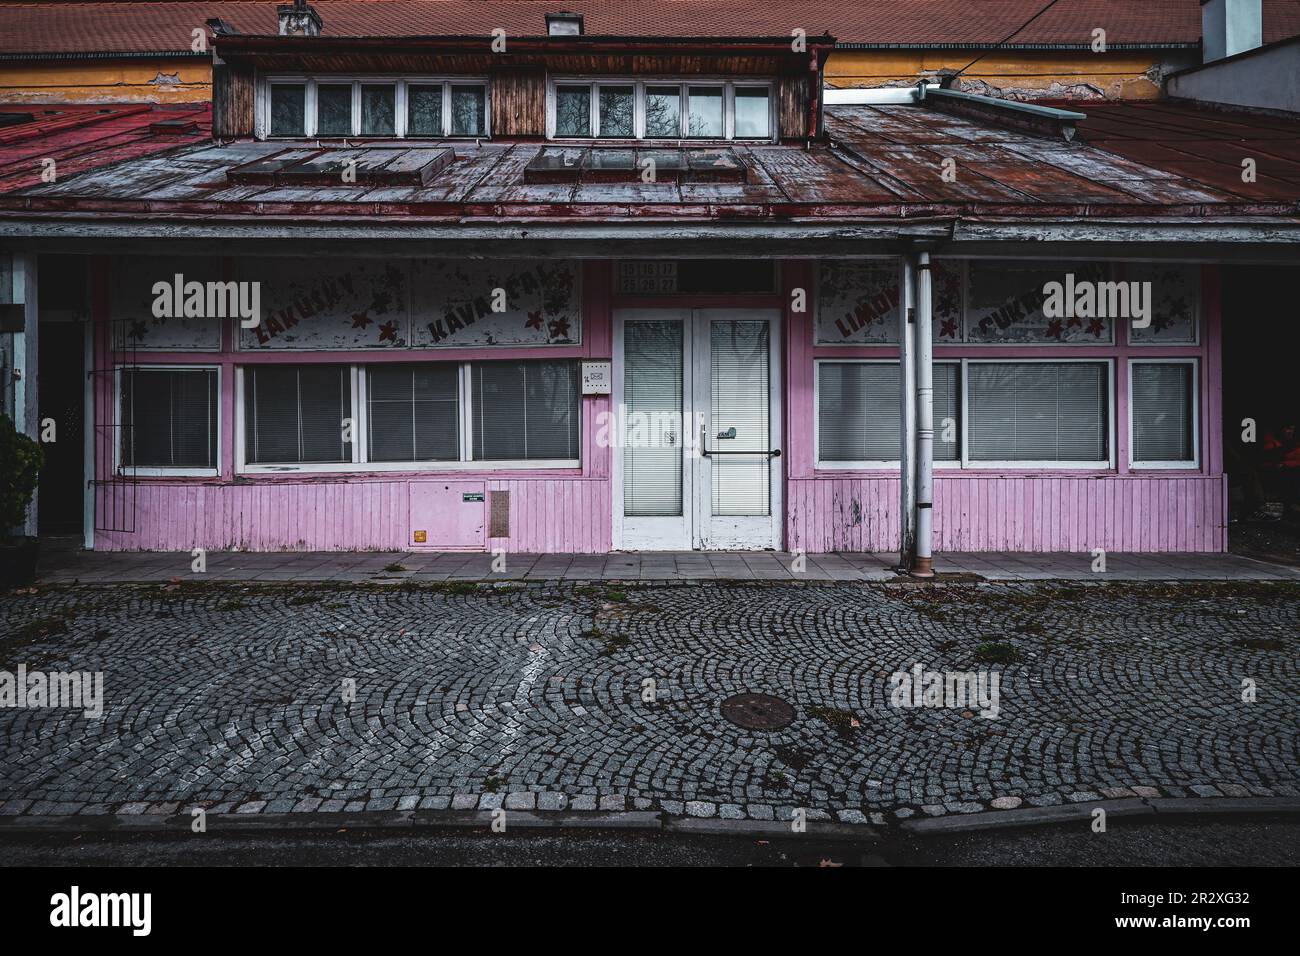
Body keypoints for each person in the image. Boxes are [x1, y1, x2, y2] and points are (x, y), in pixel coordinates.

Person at [1259, 421, 1300, 519]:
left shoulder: (1293, 443)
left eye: (1293, 429)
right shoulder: (1270, 443)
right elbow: (1267, 463)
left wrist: (1286, 464)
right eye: (1288, 429)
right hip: (1275, 477)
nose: (1291, 432)